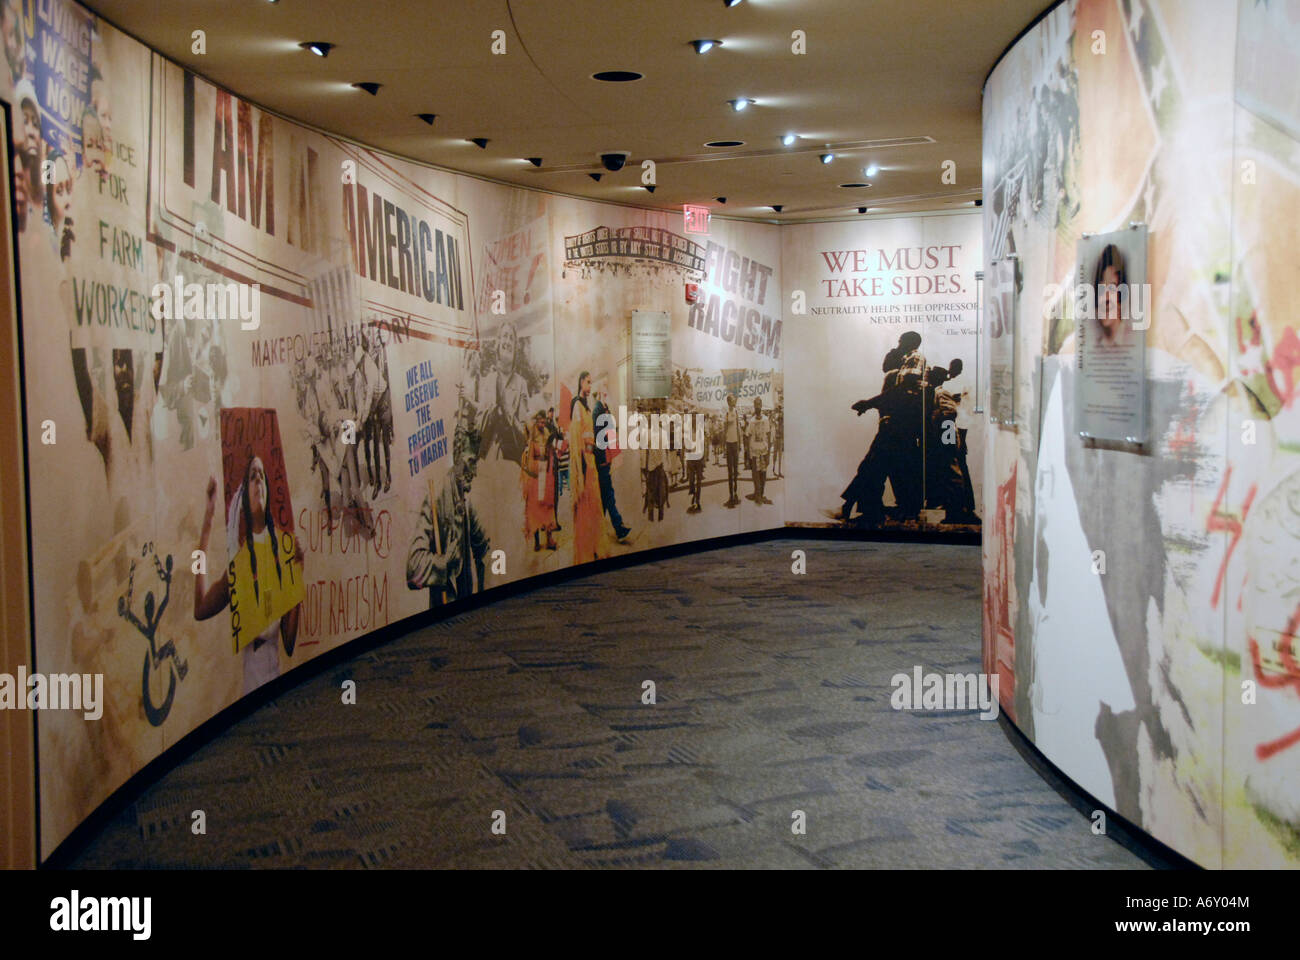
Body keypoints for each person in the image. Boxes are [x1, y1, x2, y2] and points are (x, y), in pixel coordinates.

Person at [194, 463, 303, 695]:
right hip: (251, 689)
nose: (258, 481)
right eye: (252, 476)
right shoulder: (239, 566)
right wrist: (207, 525)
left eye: (261, 476)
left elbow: (290, 641)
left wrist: (296, 574)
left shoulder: (282, 550)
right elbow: (200, 608)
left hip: (274, 683)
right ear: (243, 501)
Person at [841, 331, 927, 525]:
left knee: (872, 465)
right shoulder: (898, 369)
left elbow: (901, 392)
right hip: (894, 422)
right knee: (881, 466)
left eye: (900, 342)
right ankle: (868, 509)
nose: (897, 345)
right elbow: (892, 391)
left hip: (900, 424)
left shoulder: (915, 358)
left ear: (909, 343)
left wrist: (868, 403)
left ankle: (852, 507)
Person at [406, 421, 490, 605]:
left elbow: (484, 548)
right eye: (471, 462)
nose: (475, 472)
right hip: (444, 615)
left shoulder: (467, 504)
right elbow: (413, 569)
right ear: (457, 457)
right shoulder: (436, 499)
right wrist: (443, 563)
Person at [476, 320, 530, 463]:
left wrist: (507, 412)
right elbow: (478, 425)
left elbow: (525, 431)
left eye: (511, 338)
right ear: (498, 343)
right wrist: (489, 413)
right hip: (487, 461)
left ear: (515, 346)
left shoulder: (521, 384)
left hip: (510, 462)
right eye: (504, 336)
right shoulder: (488, 380)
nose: (508, 341)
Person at [568, 371, 607, 563]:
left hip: (590, 463)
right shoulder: (576, 405)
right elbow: (576, 439)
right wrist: (580, 471)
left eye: (592, 383)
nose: (590, 386)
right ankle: (585, 551)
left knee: (594, 507)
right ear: (581, 381)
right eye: (588, 382)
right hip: (584, 464)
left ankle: (594, 547)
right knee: (584, 509)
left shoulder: (586, 407)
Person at [591, 387, 631, 541]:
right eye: (605, 394)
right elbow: (599, 438)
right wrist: (602, 461)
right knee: (608, 495)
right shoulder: (597, 412)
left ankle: (597, 530)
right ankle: (618, 527)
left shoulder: (602, 410)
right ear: (599, 395)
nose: (607, 396)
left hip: (605, 459)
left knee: (604, 497)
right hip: (602, 460)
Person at [521, 410, 558, 550]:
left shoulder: (547, 433)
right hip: (535, 475)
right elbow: (526, 421)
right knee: (535, 506)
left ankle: (549, 539)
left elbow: (551, 450)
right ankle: (536, 541)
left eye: (544, 422)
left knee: (547, 506)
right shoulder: (532, 433)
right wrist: (535, 416)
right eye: (540, 422)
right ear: (537, 421)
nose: (543, 424)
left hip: (546, 473)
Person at [1093, 244, 1133, 347]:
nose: (1105, 298)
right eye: (1101, 288)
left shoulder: (1132, 340)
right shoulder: (1096, 345)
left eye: (1111, 288)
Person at [746, 397, 772, 505]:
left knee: (763, 474)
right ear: (754, 406)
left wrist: (769, 453)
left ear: (761, 405)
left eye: (759, 404)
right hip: (754, 451)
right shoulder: (751, 421)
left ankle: (761, 493)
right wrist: (748, 453)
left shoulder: (766, 420)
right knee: (755, 474)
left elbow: (769, 436)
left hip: (764, 451)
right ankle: (757, 494)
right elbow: (748, 436)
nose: (757, 406)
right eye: (755, 404)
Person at [723, 393, 741, 507]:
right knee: (730, 471)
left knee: (736, 470)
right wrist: (724, 445)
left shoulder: (736, 411)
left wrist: (740, 443)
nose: (733, 402)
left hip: (735, 444)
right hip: (729, 444)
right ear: (728, 402)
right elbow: (724, 430)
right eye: (732, 400)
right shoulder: (726, 412)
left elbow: (738, 428)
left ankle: (735, 491)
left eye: (734, 400)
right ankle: (731, 494)